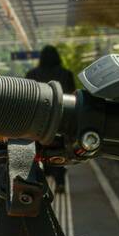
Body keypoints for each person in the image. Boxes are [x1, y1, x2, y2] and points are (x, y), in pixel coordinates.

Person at [25, 45, 77, 193]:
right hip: (62, 120)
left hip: (38, 122)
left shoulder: (32, 74)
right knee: (60, 150)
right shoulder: (66, 74)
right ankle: (59, 181)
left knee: (39, 151)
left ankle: (40, 184)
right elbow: (73, 95)